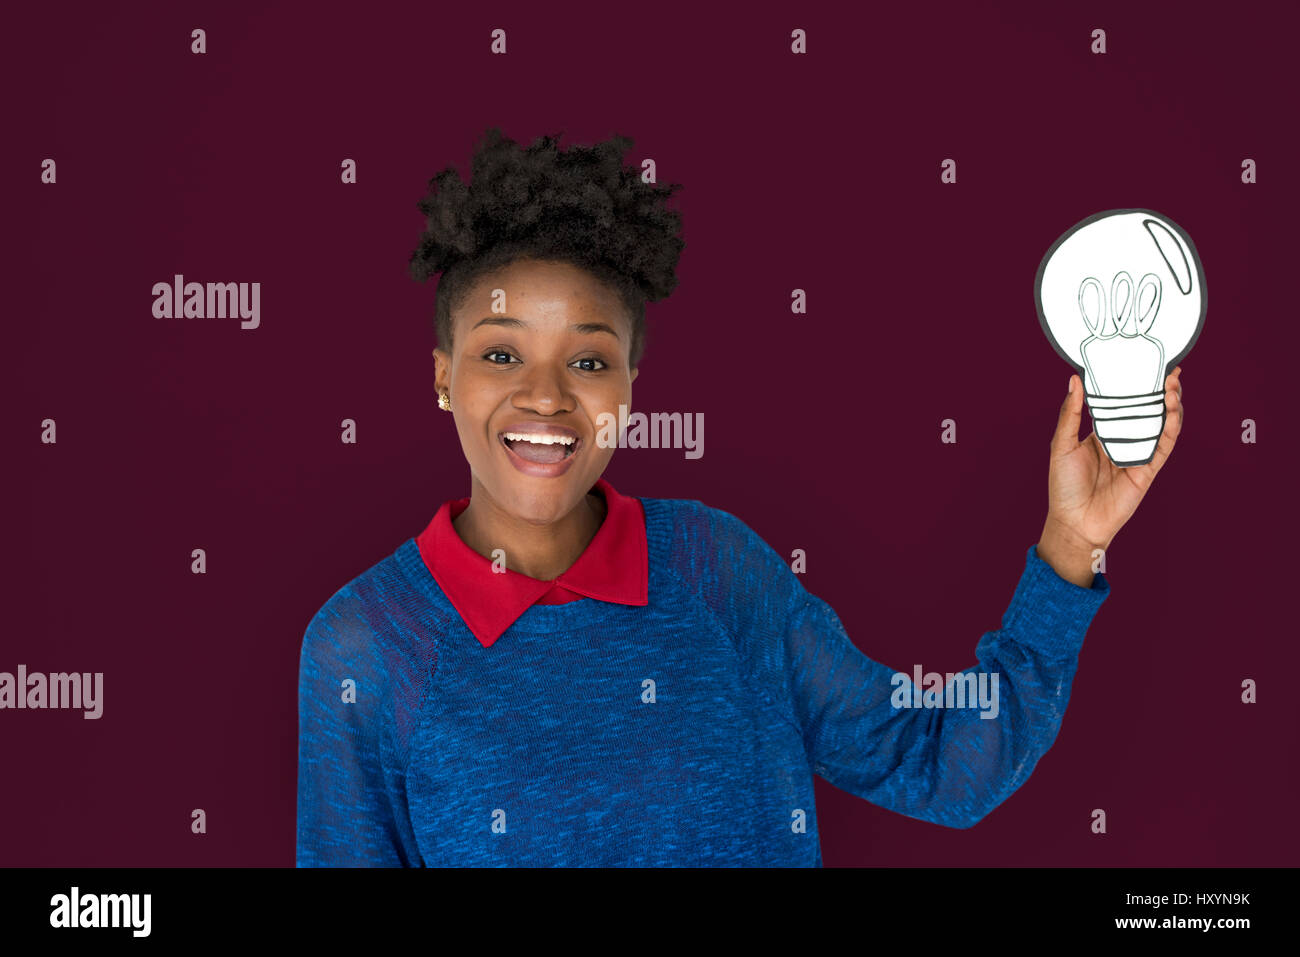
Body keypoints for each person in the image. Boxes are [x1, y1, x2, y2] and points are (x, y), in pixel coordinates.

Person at [295, 127, 1184, 867]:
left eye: (589, 359)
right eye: (500, 354)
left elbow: (939, 765)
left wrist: (1071, 542)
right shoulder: (367, 646)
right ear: (443, 377)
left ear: (631, 387)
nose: (545, 395)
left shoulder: (719, 570)